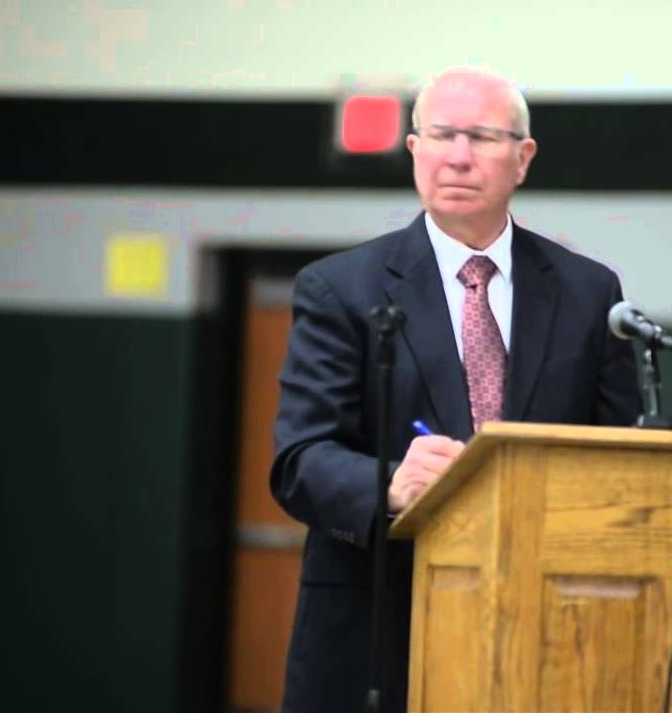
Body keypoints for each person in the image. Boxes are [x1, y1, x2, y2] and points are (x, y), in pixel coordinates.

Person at [270, 67, 642, 713]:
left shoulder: (589, 293)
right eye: (442, 135)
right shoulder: (341, 289)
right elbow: (299, 459)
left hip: (543, 627)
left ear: (523, 157)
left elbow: (621, 461)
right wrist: (389, 482)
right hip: (381, 631)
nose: (459, 156)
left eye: (483, 137)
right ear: (415, 150)